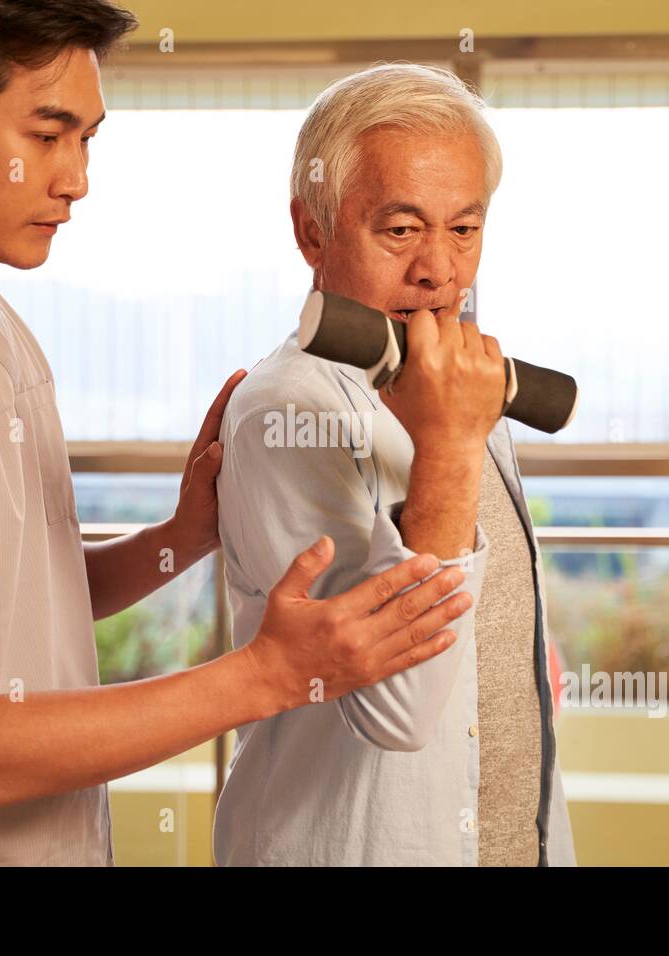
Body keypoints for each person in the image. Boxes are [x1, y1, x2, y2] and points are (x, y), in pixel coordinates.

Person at [0, 0, 471, 866]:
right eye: (47, 134)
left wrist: (177, 541)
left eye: (88, 139)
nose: (76, 178)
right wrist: (266, 674)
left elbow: (9, 599)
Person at [213, 64, 577, 866]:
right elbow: (398, 709)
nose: (440, 272)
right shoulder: (287, 413)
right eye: (402, 229)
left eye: (464, 229)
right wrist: (446, 444)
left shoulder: (447, 380)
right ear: (312, 230)